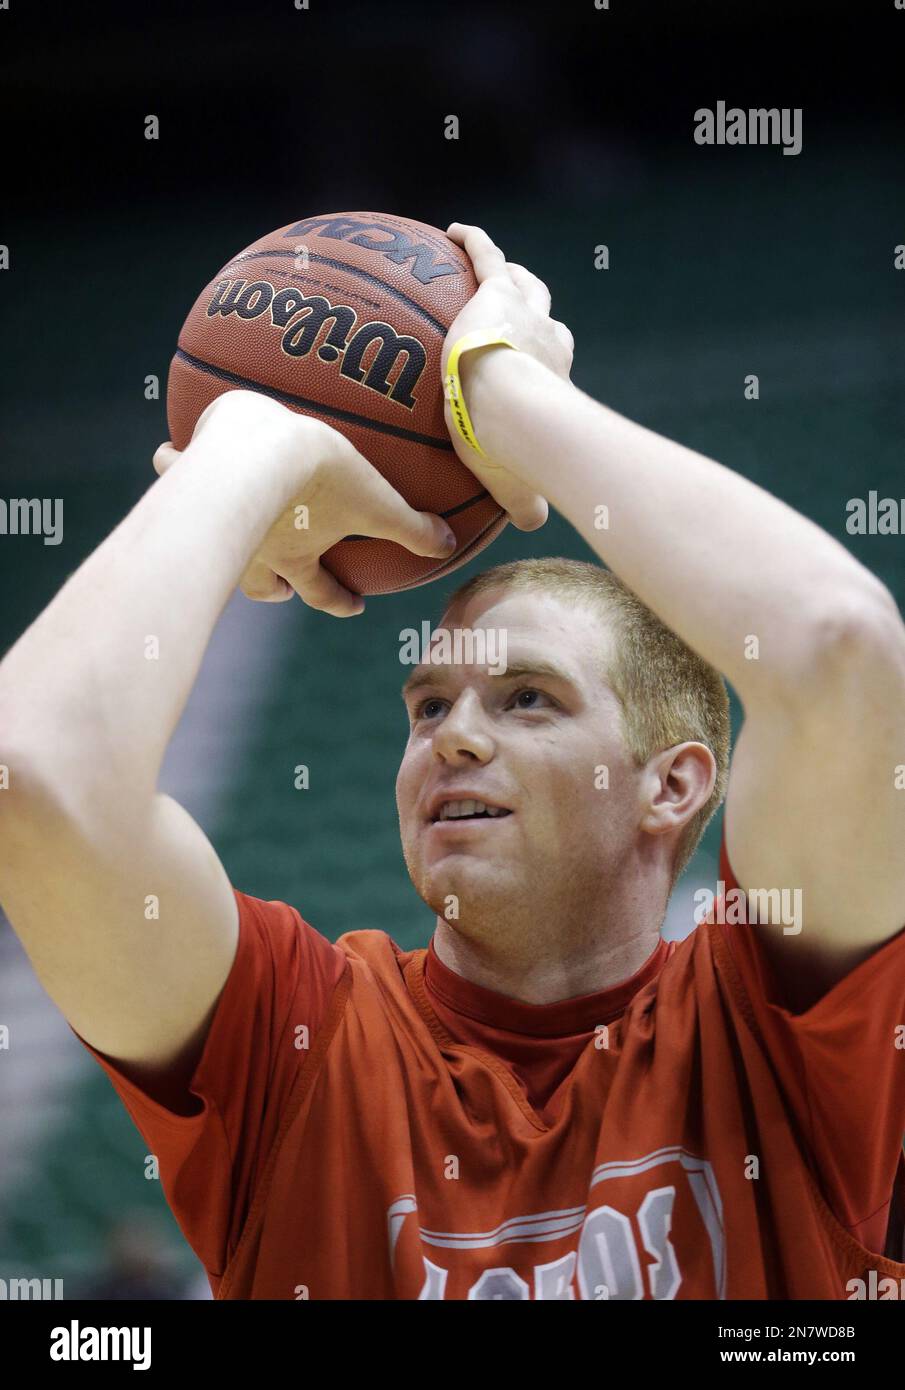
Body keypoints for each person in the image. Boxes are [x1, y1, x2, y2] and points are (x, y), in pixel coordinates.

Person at [1, 223, 904, 1301]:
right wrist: (248, 444)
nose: (452, 735)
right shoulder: (296, 1039)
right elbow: (33, 779)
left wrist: (501, 390)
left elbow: (839, 648)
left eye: (526, 697)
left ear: (671, 784)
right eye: (427, 704)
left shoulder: (771, 1029)